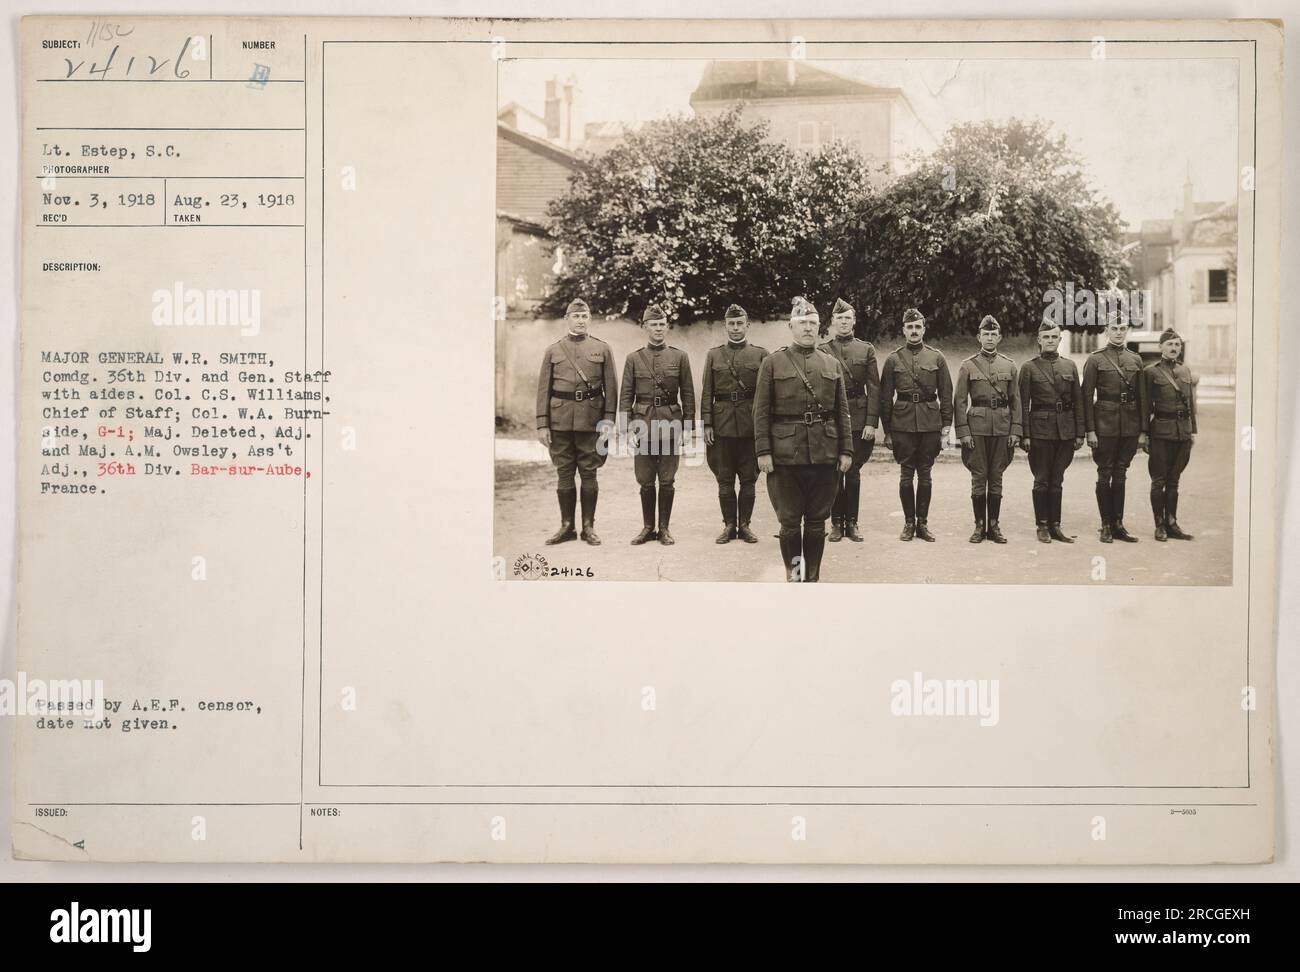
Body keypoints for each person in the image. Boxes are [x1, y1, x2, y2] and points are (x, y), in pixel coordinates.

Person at [753, 297, 853, 582]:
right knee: (788, 523)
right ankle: (794, 577)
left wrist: (846, 449)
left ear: (820, 327)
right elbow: (760, 411)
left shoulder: (831, 364)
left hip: (824, 454)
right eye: (802, 324)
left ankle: (812, 580)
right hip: (785, 456)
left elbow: (842, 411)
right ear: (791, 327)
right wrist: (763, 451)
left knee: (816, 522)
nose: (808, 328)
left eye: (812, 323)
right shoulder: (772, 363)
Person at [535, 297, 617, 545]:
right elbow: (543, 390)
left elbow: (611, 388)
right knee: (564, 474)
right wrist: (542, 423)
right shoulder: (553, 350)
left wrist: (609, 421)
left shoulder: (602, 349)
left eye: (584, 316)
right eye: (576, 316)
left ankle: (588, 527)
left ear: (589, 320)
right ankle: (567, 526)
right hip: (559, 423)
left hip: (591, 422)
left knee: (589, 473)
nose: (580, 321)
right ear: (567, 319)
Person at [619, 303, 696, 546]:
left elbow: (689, 395)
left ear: (667, 327)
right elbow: (625, 396)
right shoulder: (633, 359)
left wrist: (688, 428)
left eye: (662, 324)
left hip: (671, 422)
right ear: (645, 327)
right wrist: (626, 428)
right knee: (644, 479)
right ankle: (647, 527)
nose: (659, 329)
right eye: (654, 324)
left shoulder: (680, 357)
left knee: (667, 479)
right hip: (642, 424)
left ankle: (664, 529)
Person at [878, 307, 953, 542]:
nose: (913, 331)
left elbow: (946, 394)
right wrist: (888, 431)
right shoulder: (892, 360)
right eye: (909, 327)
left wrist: (946, 427)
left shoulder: (937, 357)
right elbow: (885, 397)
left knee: (926, 475)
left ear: (923, 329)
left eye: (917, 327)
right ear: (903, 330)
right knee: (906, 475)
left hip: (930, 424)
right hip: (902, 425)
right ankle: (909, 523)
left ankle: (923, 524)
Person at [701, 304, 768, 544]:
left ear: (747, 325)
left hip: (750, 427)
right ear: (725, 326)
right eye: (732, 324)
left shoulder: (761, 355)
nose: (736, 328)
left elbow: (766, 395)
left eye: (740, 323)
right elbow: (706, 392)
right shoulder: (714, 355)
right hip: (722, 427)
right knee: (725, 479)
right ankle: (729, 525)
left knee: (749, 479)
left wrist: (764, 428)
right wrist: (707, 424)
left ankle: (745, 525)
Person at [953, 315, 1021, 543]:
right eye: (986, 334)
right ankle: (979, 526)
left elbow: (1016, 401)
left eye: (994, 334)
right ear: (979, 337)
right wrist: (963, 432)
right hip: (977, 428)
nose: (990, 338)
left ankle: (994, 525)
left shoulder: (1009, 366)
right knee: (979, 476)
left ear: (999, 337)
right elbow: (960, 401)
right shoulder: (968, 366)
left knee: (997, 476)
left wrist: (1015, 430)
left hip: (1002, 427)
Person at [817, 297, 880, 543]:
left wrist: (871, 422)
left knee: (852, 473)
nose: (844, 322)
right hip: (832, 420)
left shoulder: (866, 349)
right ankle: (835, 524)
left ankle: (852, 523)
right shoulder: (823, 349)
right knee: (834, 472)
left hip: (858, 419)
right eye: (839, 318)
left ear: (854, 321)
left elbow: (874, 388)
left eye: (848, 318)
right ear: (832, 322)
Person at [1018, 318, 1085, 543]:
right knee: (1042, 479)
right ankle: (1042, 526)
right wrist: (1024, 435)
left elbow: (1078, 401)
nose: (1049, 340)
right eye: (1045, 337)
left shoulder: (1070, 366)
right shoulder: (1028, 368)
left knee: (1057, 479)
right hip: (1039, 431)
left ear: (1059, 339)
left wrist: (1079, 433)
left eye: (1053, 337)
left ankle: (1056, 525)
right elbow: (1022, 404)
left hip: (1065, 431)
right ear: (1039, 340)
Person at [1081, 313, 1147, 543]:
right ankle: (1106, 525)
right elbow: (1086, 396)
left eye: (1122, 328)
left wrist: (1142, 431)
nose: (1118, 332)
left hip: (1129, 425)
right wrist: (1089, 430)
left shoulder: (1135, 360)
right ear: (1106, 331)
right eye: (1114, 328)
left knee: (1121, 474)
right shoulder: (1095, 360)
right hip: (1104, 424)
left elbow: (1142, 398)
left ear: (1127, 330)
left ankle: (1119, 524)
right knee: (1104, 473)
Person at [1141, 329, 1197, 541]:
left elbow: (1191, 405)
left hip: (1182, 432)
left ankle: (1172, 523)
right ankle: (1159, 526)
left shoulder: (1185, 371)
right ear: (1161, 347)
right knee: (1159, 480)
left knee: (1174, 481)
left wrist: (1192, 431)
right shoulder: (1151, 372)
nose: (1174, 348)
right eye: (1170, 344)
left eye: (1177, 345)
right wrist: (1144, 434)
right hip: (1161, 432)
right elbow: (1145, 406)